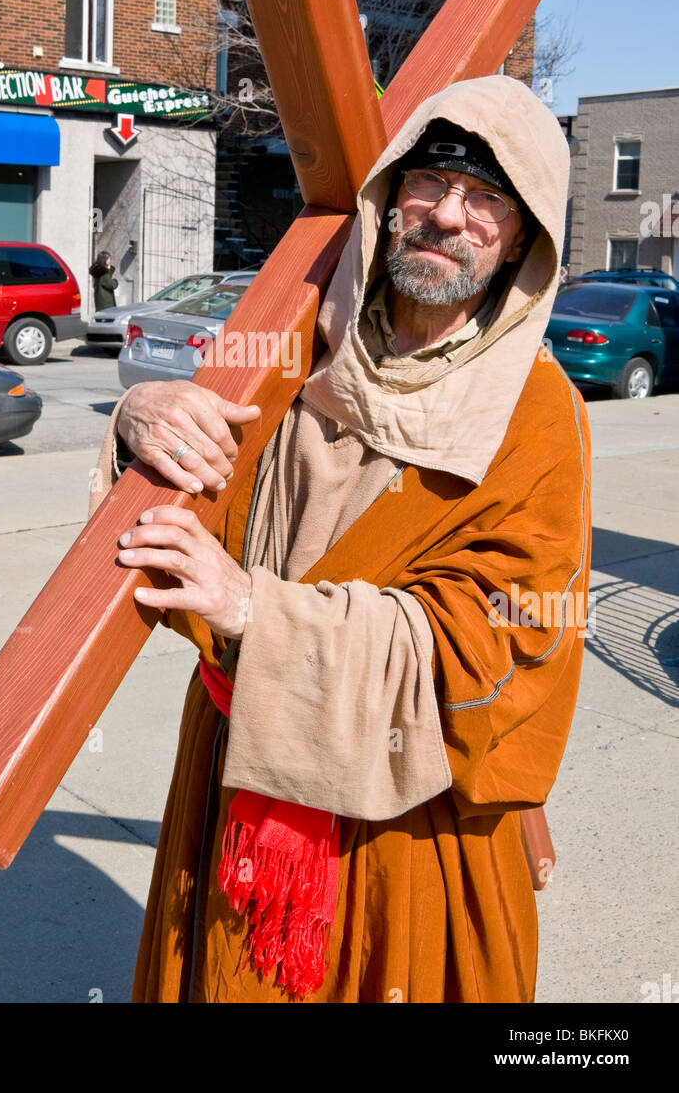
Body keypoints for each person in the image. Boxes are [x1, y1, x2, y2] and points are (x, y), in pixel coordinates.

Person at [89, 74, 592, 1003]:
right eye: (430, 182)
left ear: (522, 238)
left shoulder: (536, 413)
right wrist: (141, 416)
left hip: (406, 821)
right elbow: (181, 518)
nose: (448, 215)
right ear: (388, 195)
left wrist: (258, 614)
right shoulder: (292, 351)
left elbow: (509, 641)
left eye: (486, 199)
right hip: (233, 774)